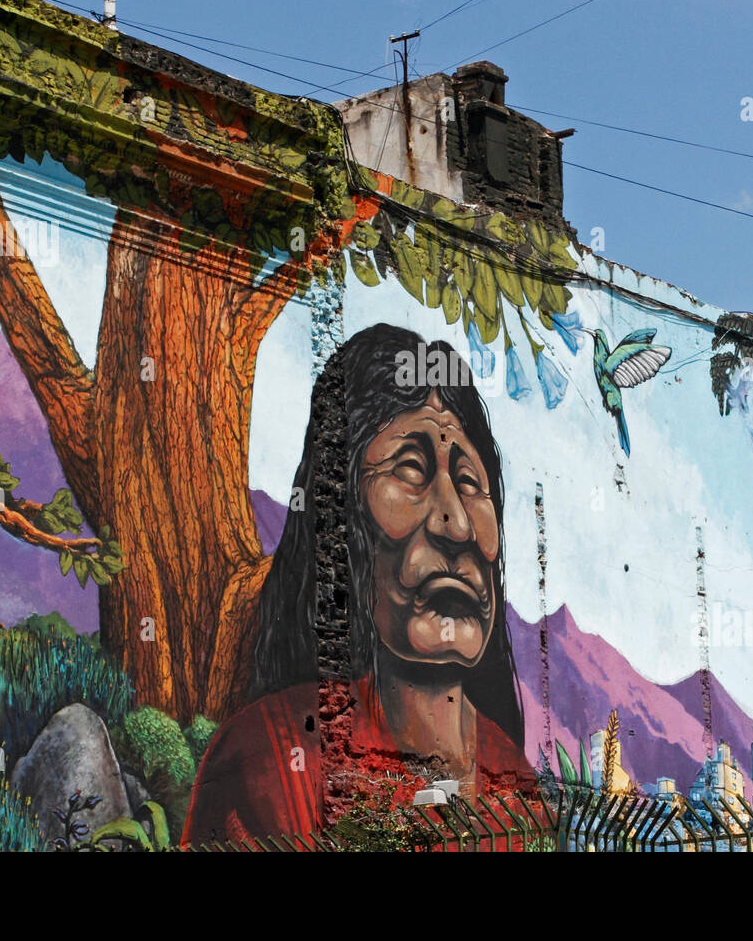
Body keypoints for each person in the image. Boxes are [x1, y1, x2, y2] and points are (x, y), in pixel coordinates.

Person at [183, 323, 532, 845]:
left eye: (469, 483)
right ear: (339, 517)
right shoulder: (268, 766)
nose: (456, 523)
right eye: (410, 469)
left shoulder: (518, 786)